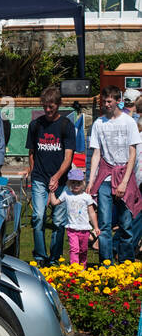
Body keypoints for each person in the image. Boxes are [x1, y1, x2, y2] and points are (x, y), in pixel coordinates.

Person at [88, 85, 142, 263]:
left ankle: (126, 263)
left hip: (124, 175)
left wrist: (125, 182)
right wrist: (91, 181)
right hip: (105, 176)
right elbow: (96, 154)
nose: (106, 104)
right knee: (104, 224)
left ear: (118, 101)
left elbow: (132, 153)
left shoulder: (128, 122)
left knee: (126, 224)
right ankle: (106, 264)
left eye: (109, 101)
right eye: (104, 101)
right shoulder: (99, 123)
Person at [25, 85, 78, 265]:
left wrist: (56, 176)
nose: (48, 110)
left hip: (61, 179)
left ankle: (55, 257)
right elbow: (31, 152)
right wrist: (33, 171)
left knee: (58, 221)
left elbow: (68, 156)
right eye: (45, 106)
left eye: (51, 107)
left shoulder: (66, 126)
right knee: (38, 216)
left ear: (58, 105)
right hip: (40, 177)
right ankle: (40, 256)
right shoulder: (35, 125)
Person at [49, 166, 99, 267]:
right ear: (69, 183)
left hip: (85, 229)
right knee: (74, 249)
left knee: (83, 250)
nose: (76, 185)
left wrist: (96, 227)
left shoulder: (86, 197)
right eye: (73, 182)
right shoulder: (66, 194)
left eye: (78, 183)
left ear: (83, 183)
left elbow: (92, 213)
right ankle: (74, 268)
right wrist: (52, 192)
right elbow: (54, 202)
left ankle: (82, 267)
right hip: (72, 228)